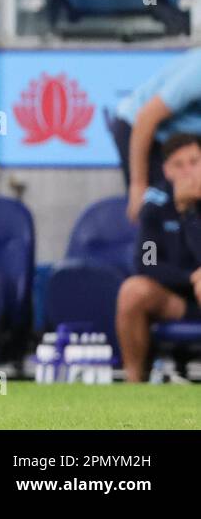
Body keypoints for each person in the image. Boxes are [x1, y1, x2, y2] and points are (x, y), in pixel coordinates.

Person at [117, 132, 201, 382]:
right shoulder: (155, 206)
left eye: (194, 161)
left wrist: (191, 216)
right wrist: (190, 277)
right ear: (166, 171)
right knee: (132, 291)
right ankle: (134, 386)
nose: (188, 171)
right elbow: (148, 263)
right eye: (179, 164)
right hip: (178, 299)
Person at [113, 48, 201, 221]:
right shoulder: (198, 73)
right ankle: (149, 248)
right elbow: (146, 117)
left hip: (182, 135)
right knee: (157, 207)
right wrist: (138, 185)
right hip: (139, 128)